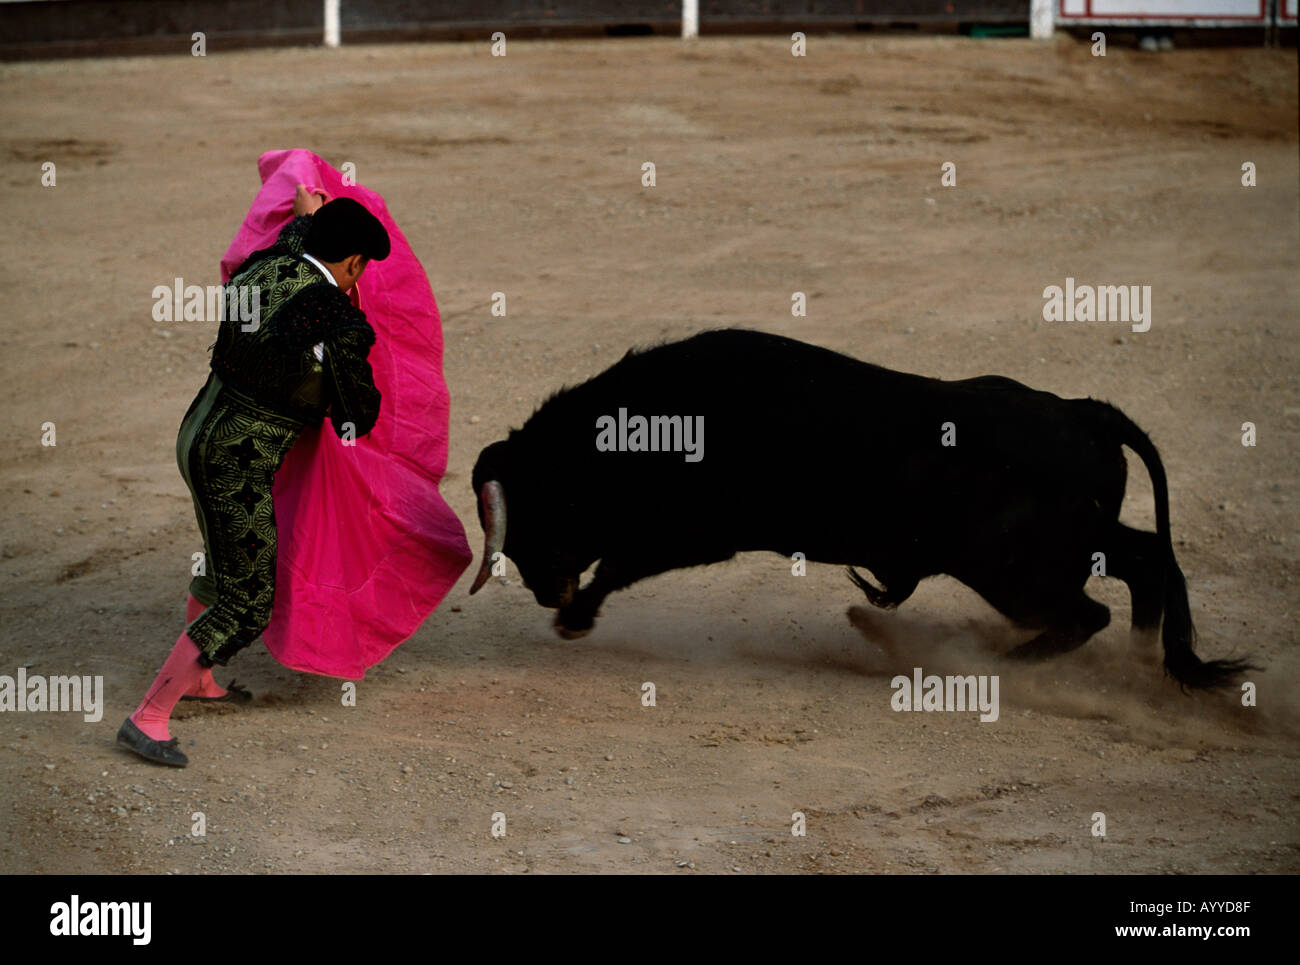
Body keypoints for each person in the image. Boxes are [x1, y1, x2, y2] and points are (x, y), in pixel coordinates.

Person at [118, 186, 390, 767]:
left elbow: (298, 232)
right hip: (235, 462)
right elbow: (357, 415)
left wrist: (307, 214)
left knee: (222, 562)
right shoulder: (337, 320)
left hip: (195, 434)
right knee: (246, 601)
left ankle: (197, 681)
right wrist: (346, 347)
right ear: (354, 264)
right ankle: (148, 717)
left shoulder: (269, 262)